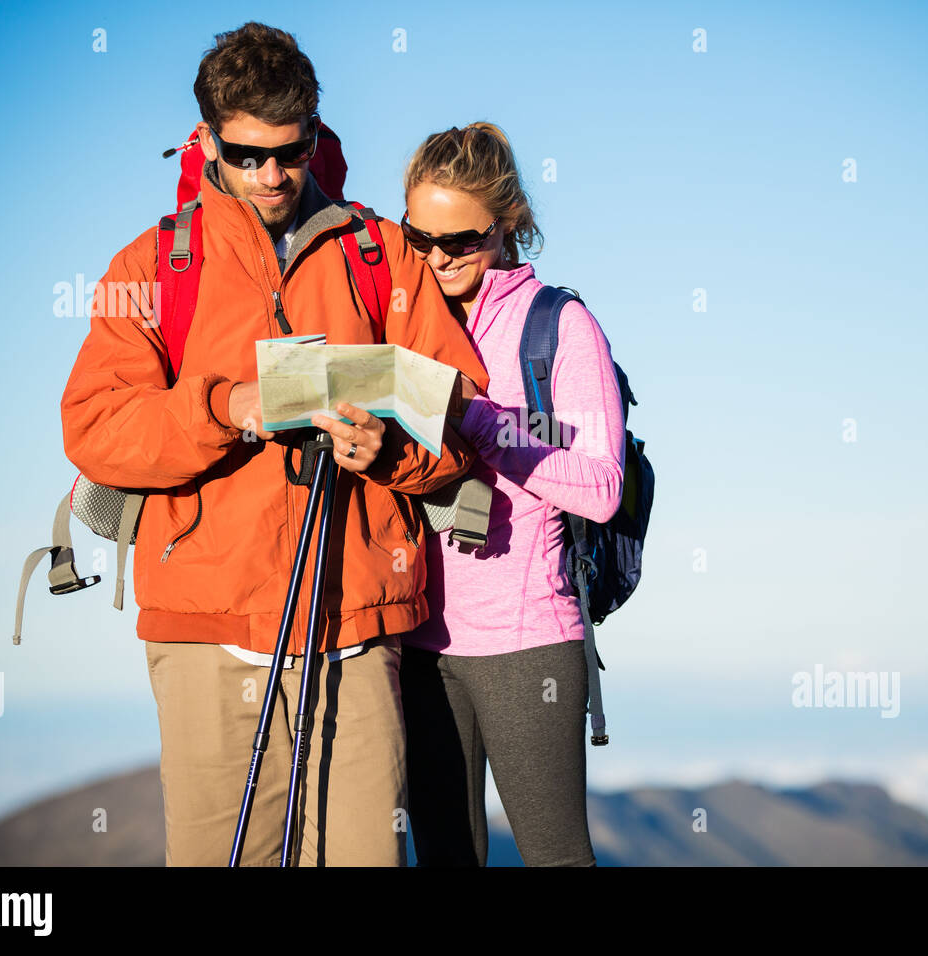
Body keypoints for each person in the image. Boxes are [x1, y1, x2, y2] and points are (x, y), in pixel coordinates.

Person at [59, 23, 488, 866]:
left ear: (315, 132)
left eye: (289, 154)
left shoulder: (383, 256)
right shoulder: (154, 265)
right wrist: (230, 407)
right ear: (209, 136)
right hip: (206, 628)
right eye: (246, 154)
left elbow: (458, 417)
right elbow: (97, 429)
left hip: (357, 627)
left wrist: (391, 452)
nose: (270, 176)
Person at [398, 123, 625, 866]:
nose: (437, 259)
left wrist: (483, 423)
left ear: (507, 224)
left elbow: (601, 487)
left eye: (460, 241)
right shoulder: (406, 326)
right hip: (419, 641)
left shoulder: (560, 326)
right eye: (418, 238)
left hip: (526, 642)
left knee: (556, 856)